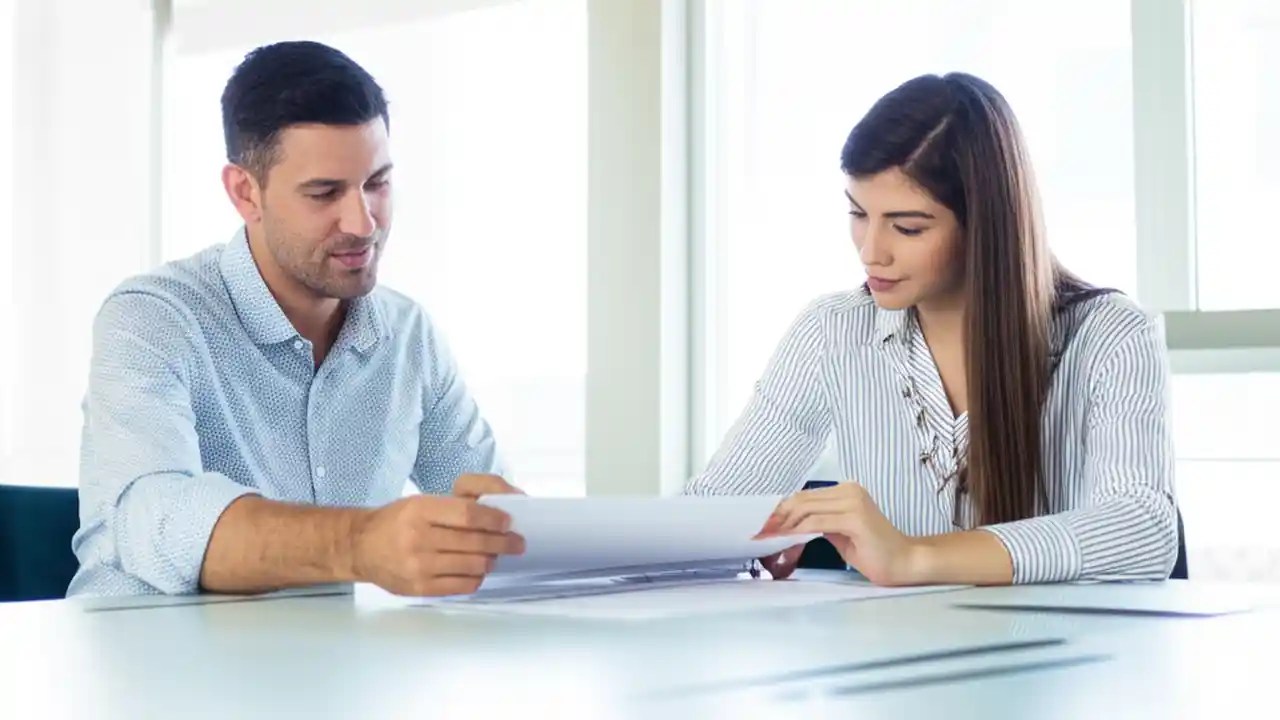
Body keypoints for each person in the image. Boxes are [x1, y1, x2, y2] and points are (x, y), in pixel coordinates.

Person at [69, 41, 524, 598]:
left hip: (329, 672)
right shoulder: (152, 318)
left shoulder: (411, 337)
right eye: (324, 192)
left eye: (377, 183)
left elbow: (489, 515)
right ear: (245, 192)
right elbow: (153, 517)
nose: (363, 223)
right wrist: (361, 543)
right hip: (150, 666)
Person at [686, 73, 1178, 586]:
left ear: (986, 223)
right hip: (889, 654)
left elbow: (1142, 531)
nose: (871, 250)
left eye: (908, 227)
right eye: (858, 213)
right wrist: (748, 537)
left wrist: (912, 557)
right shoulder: (831, 332)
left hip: (1063, 656)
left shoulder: (1110, 337)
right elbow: (709, 516)